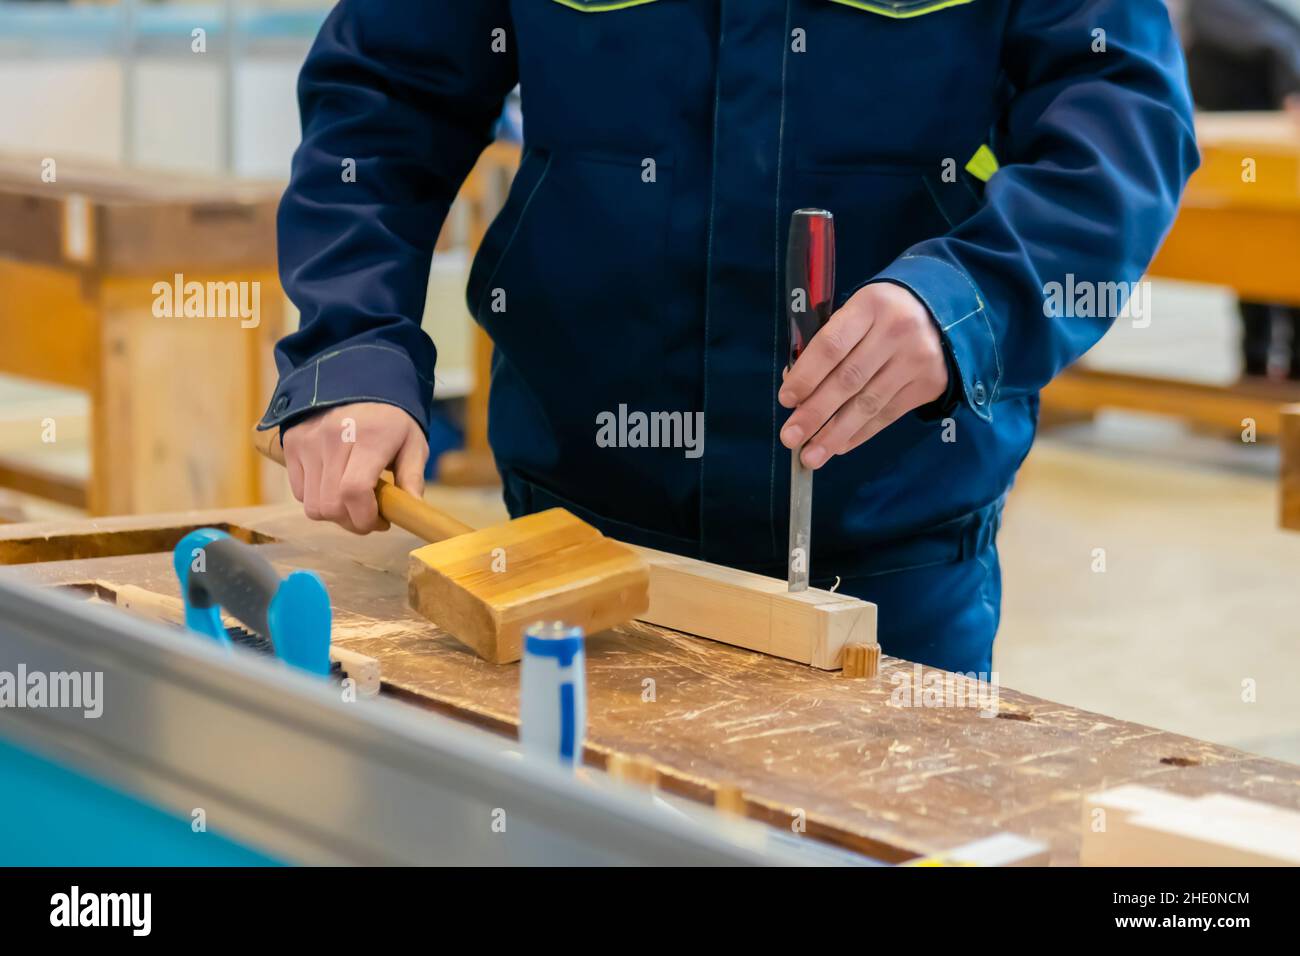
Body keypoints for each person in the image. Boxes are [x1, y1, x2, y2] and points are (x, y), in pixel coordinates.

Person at [261, 1, 1198, 674]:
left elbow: (1124, 118)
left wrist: (971, 300)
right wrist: (354, 346)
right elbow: (385, 96)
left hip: (891, 557)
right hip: (574, 545)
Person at [1180, 0, 1300, 379]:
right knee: (1259, 268)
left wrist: (1292, 94)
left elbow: (1279, 43)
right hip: (1257, 154)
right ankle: (1260, 372)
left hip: (1267, 150)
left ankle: (1268, 374)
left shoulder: (1216, 8)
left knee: (1274, 264)